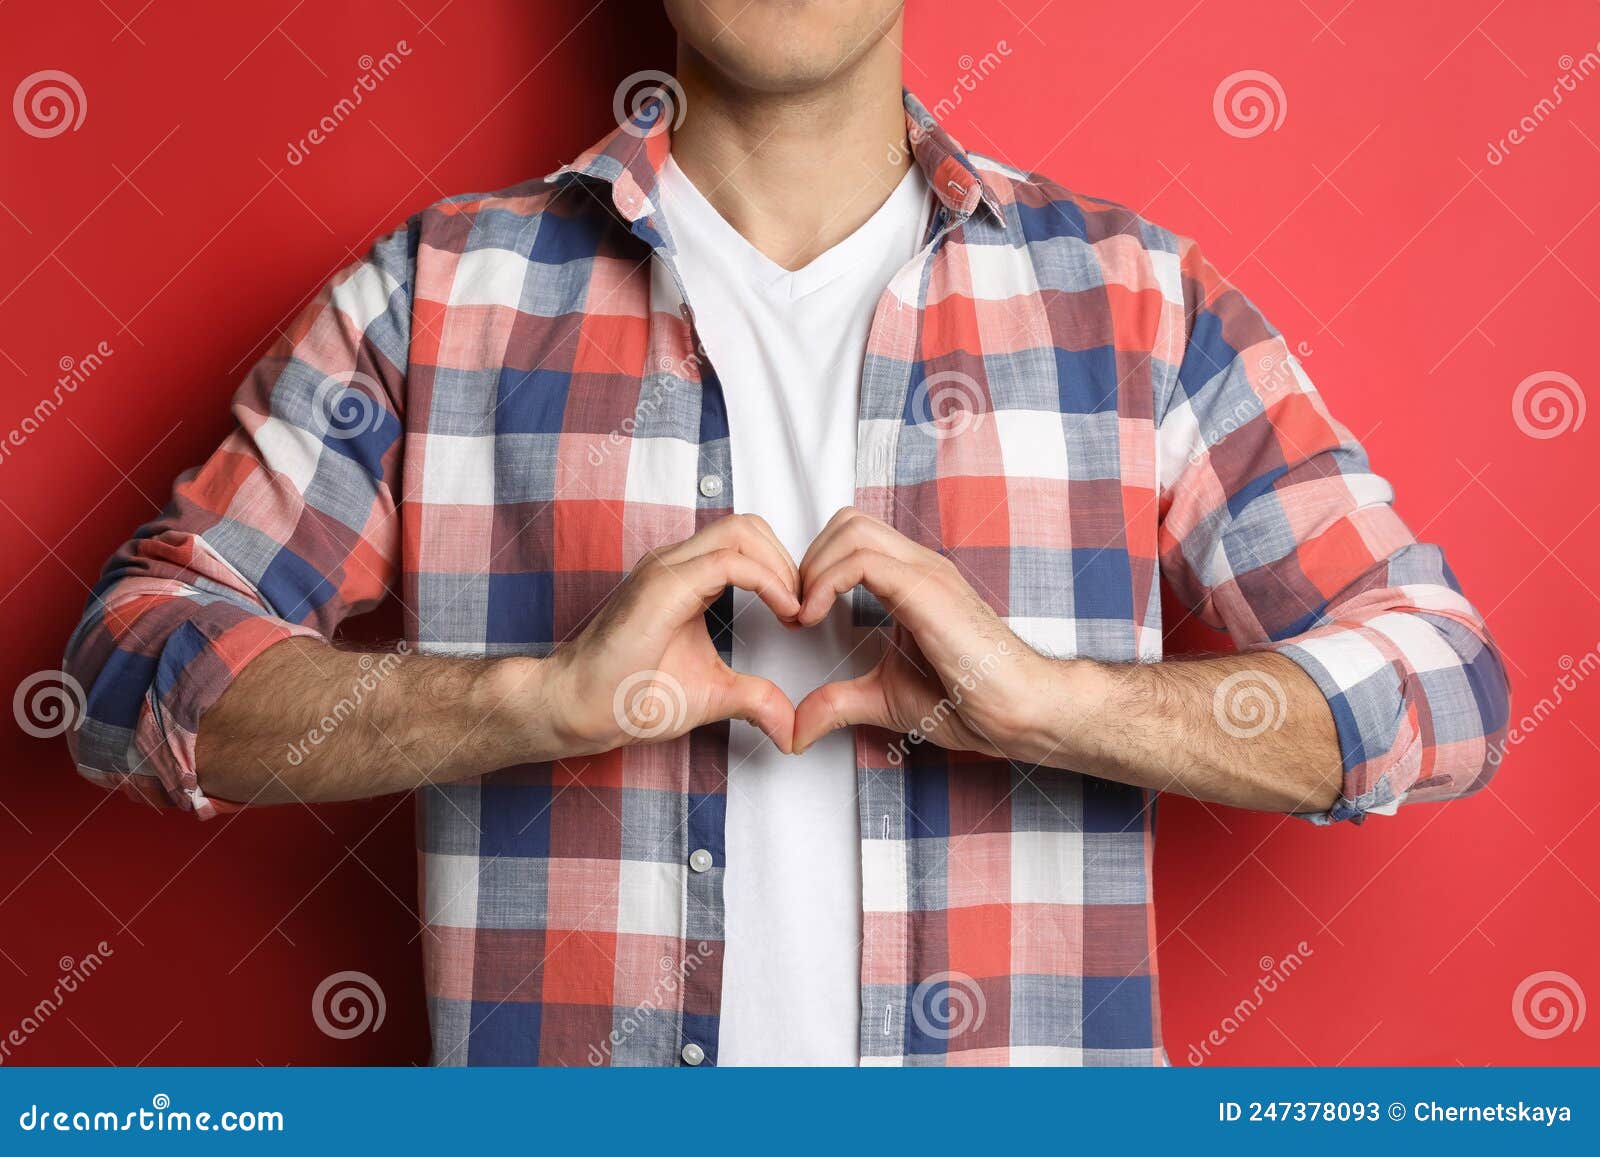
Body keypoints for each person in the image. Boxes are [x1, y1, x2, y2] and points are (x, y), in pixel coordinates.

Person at [63, 0, 1510, 1066]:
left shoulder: (1134, 304)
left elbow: (1445, 682)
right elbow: (132, 667)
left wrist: (1059, 704)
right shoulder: (437, 299)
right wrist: (535, 696)